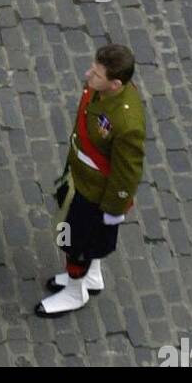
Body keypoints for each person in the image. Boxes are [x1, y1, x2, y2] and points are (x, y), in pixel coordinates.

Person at [36, 45, 145, 318]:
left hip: (94, 194)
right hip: (79, 176)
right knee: (84, 239)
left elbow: (127, 172)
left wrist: (113, 210)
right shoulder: (100, 91)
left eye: (96, 74)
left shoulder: (126, 122)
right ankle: (92, 277)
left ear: (115, 83)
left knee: (73, 242)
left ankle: (75, 292)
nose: (88, 76)